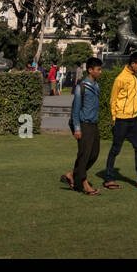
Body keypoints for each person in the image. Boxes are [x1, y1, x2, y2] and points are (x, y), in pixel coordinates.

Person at [103, 54, 137, 190]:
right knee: (115, 149)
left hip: (134, 120)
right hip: (121, 120)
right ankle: (109, 179)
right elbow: (113, 100)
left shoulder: (134, 78)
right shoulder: (120, 79)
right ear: (133, 63)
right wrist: (114, 118)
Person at [62, 58, 103, 195]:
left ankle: (72, 175)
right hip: (84, 125)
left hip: (94, 124)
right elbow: (75, 109)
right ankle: (85, 185)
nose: (100, 72)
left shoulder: (97, 85)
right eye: (98, 69)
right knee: (84, 155)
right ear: (90, 70)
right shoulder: (82, 87)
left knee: (94, 154)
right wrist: (77, 128)